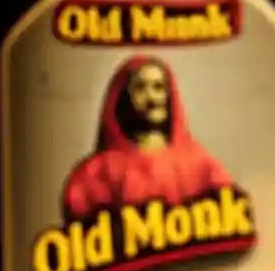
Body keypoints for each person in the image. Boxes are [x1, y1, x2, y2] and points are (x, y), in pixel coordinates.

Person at [62, 55, 237, 220]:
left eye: (159, 87)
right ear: (122, 98)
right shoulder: (97, 173)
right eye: (140, 88)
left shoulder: (200, 164)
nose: (152, 98)